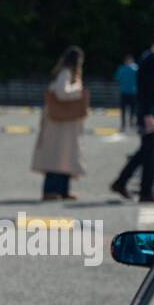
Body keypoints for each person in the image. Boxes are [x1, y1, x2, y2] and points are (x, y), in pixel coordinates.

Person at [111, 29, 154, 204]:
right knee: (150, 153)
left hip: (149, 112)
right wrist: (148, 114)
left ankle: (122, 182)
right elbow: (146, 91)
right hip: (148, 113)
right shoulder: (151, 60)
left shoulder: (151, 59)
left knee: (145, 151)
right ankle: (145, 192)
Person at [32, 46, 87, 201]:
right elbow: (61, 92)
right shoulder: (66, 73)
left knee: (65, 157)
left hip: (63, 122)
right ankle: (51, 190)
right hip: (59, 123)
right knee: (57, 157)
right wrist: (78, 89)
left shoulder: (65, 72)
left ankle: (63, 190)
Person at [114, 54, 137, 131]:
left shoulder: (122, 68)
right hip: (133, 92)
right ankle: (131, 124)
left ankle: (123, 125)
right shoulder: (136, 68)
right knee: (132, 109)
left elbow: (117, 78)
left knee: (123, 109)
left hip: (124, 91)